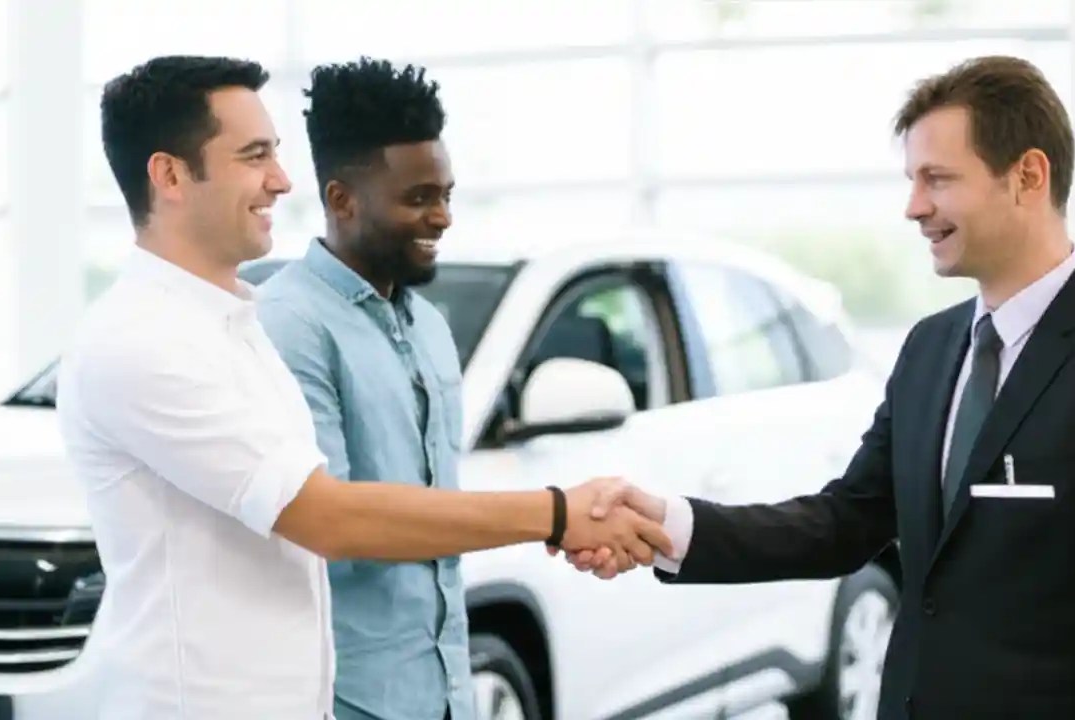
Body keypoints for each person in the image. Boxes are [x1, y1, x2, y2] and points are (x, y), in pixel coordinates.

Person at [569, 55, 1075, 719]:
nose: (913, 208)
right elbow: (846, 521)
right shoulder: (929, 350)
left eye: (936, 179)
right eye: (912, 180)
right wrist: (669, 525)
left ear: (1028, 175)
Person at [55, 55, 670, 720]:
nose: (284, 181)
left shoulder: (235, 326)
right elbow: (328, 516)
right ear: (170, 175)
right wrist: (556, 512)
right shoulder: (143, 340)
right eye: (254, 155)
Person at [255, 58, 470, 720]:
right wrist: (548, 515)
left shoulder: (428, 325)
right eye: (418, 199)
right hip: (345, 700)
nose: (442, 218)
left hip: (443, 693)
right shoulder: (287, 325)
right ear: (342, 199)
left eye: (446, 194)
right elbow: (336, 521)